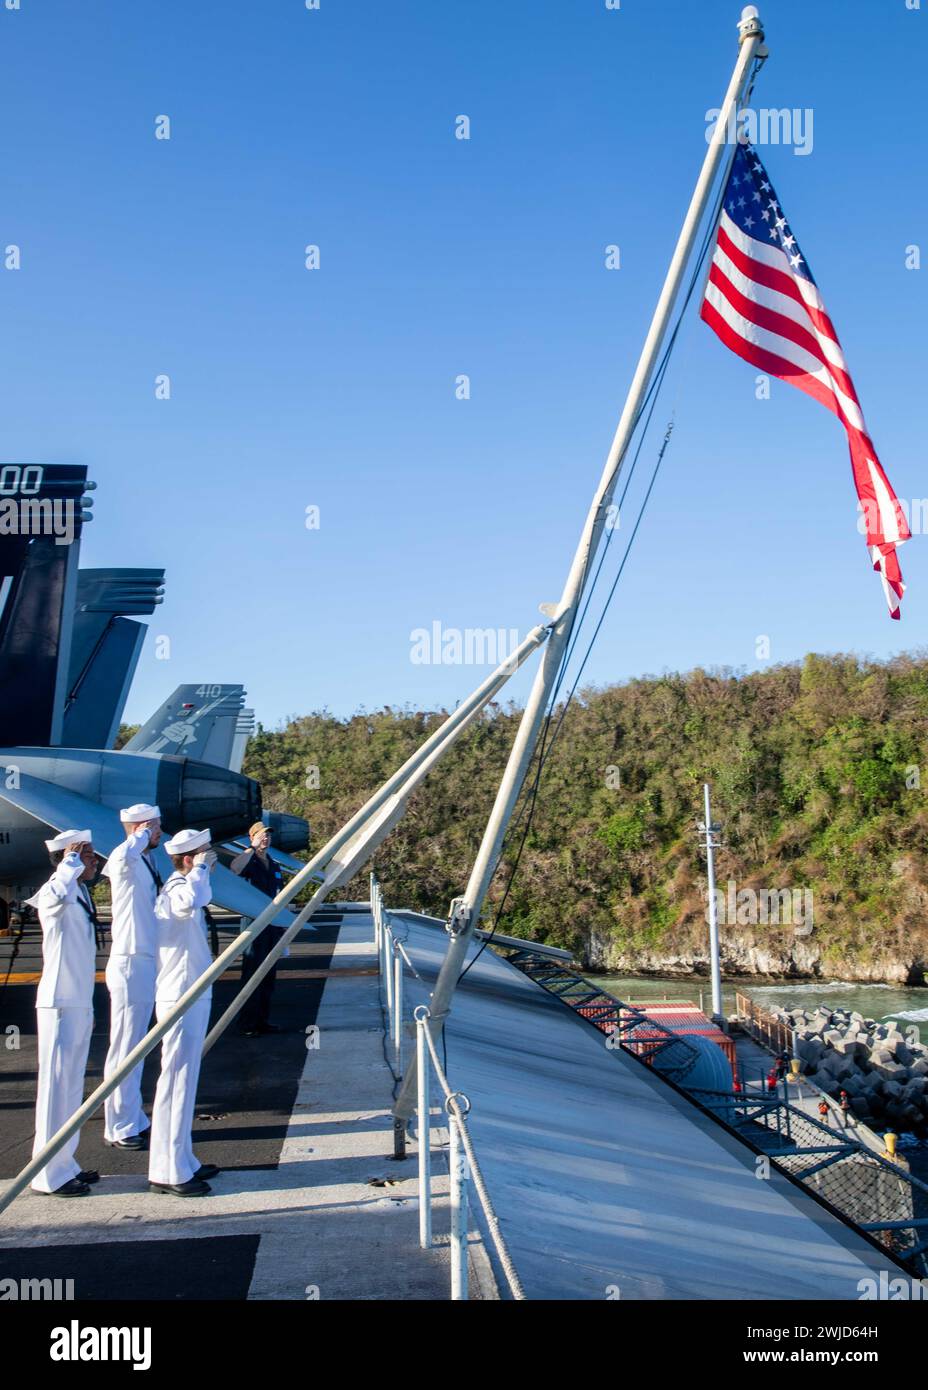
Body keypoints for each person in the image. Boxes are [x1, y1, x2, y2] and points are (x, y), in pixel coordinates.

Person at [27, 830, 100, 1196]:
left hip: (77, 1000)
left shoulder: (80, 891)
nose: (93, 860)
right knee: (55, 1090)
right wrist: (69, 862)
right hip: (58, 1002)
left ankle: (64, 1163)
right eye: (86, 854)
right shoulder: (56, 890)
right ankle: (46, 1174)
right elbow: (51, 895)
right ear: (67, 857)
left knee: (71, 1089)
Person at [148, 828, 220, 1197]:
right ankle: (168, 1170)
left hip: (191, 992)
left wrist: (201, 872)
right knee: (175, 1081)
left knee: (185, 1081)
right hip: (179, 996)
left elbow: (202, 895)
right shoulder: (177, 888)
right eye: (205, 854)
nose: (212, 859)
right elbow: (191, 899)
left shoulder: (187, 884)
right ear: (189, 858)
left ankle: (183, 1157)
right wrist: (200, 870)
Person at [101, 803, 164, 1150]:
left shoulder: (145, 860)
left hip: (145, 958)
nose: (159, 833)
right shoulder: (125, 858)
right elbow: (121, 856)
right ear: (140, 828)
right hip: (129, 961)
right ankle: (119, 1125)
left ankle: (134, 1116)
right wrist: (139, 836)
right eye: (155, 827)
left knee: (136, 1047)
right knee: (124, 1046)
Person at [230, 822, 285, 1037]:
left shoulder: (273, 863)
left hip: (272, 922)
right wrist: (251, 849)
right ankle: (247, 1023)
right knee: (252, 972)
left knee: (268, 973)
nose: (266, 839)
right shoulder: (249, 859)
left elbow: (280, 893)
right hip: (253, 922)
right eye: (262, 835)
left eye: (268, 836)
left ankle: (262, 1019)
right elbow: (235, 869)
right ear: (253, 837)